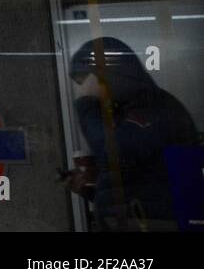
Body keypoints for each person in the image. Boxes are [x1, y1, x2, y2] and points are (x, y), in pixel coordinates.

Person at [66, 37, 198, 232]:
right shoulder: (124, 111)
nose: (83, 90)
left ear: (104, 75)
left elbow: (113, 152)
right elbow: (133, 186)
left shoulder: (153, 106)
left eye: (85, 82)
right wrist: (88, 189)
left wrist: (86, 104)